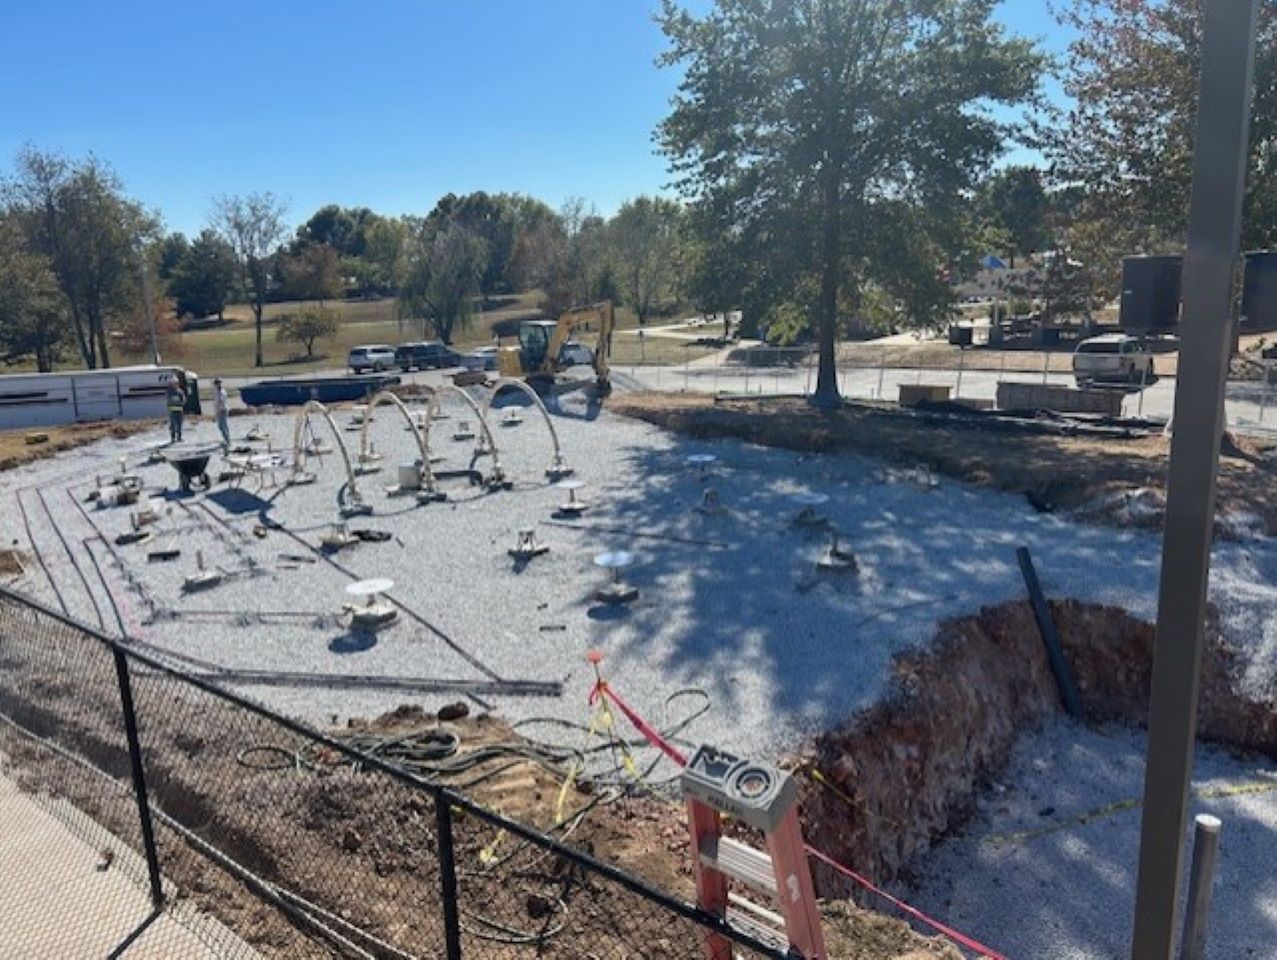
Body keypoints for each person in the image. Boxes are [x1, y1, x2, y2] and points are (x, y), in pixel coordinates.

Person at [165, 374, 186, 443]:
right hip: (172, 411)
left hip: (179, 411)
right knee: (173, 425)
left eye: (176, 383)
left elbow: (183, 400)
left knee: (179, 424)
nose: (175, 384)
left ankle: (179, 437)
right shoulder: (169, 392)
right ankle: (173, 438)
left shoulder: (180, 391)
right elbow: (168, 400)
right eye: (174, 383)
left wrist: (181, 402)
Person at [213, 377, 230, 449]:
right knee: (221, 426)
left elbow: (221, 402)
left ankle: (227, 441)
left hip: (222, 411)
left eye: (218, 383)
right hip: (219, 411)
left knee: (223, 426)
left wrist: (219, 411)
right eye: (216, 383)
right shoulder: (217, 391)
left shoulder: (221, 392)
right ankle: (226, 439)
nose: (217, 384)